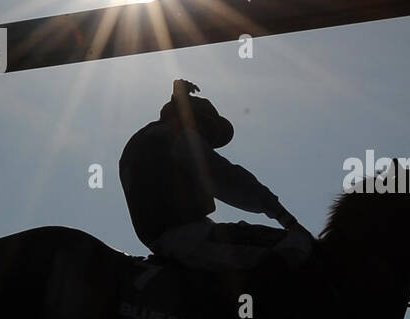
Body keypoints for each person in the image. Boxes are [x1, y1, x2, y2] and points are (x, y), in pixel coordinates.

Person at [118, 78, 314, 271]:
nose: (206, 139)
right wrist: (284, 217)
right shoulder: (175, 137)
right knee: (297, 244)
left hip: (167, 242)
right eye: (206, 129)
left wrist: (179, 99)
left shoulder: (145, 140)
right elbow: (228, 179)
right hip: (192, 238)